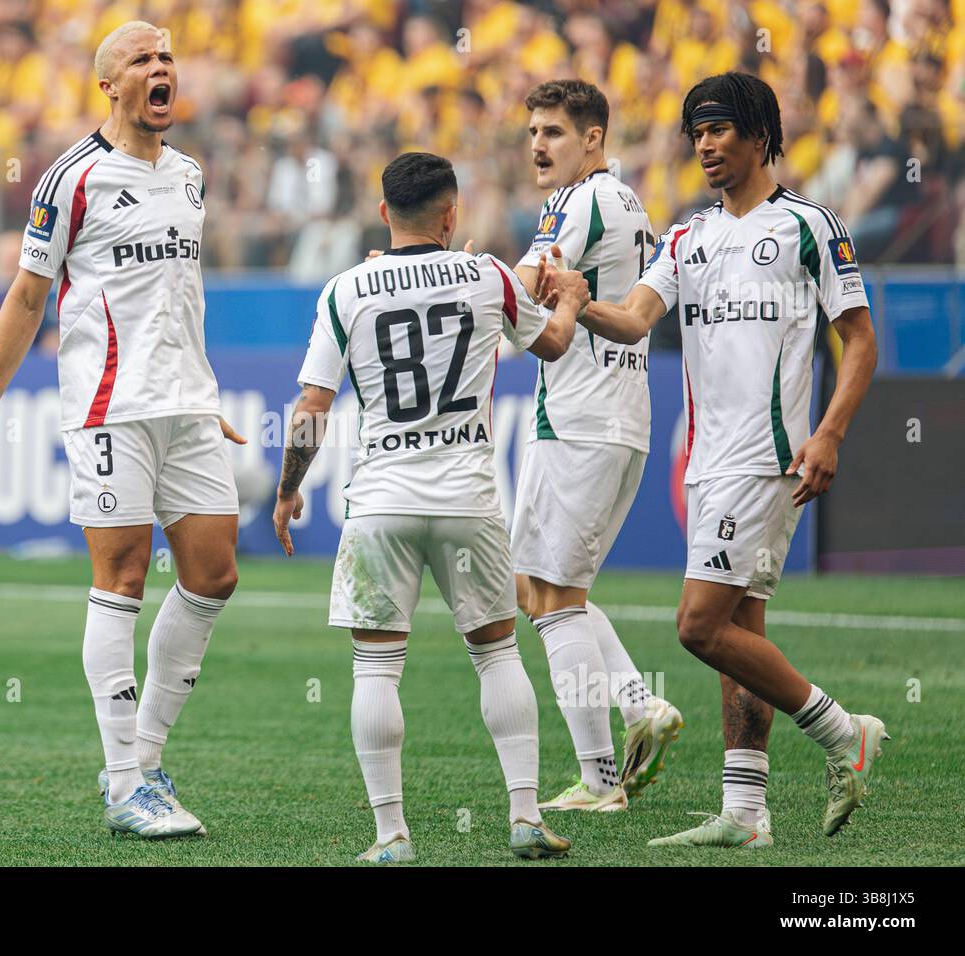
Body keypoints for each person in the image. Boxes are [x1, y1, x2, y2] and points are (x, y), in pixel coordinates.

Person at [537, 72, 886, 849]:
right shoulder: (688, 237)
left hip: (766, 458)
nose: (705, 144)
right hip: (706, 461)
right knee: (740, 632)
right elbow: (631, 320)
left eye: (720, 129)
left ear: (761, 134)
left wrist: (828, 433)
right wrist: (574, 295)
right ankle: (745, 813)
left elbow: (859, 339)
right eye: (696, 132)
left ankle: (841, 732)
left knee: (697, 627)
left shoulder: (808, 226)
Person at [0, 21, 244, 840]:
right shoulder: (70, 180)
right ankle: (123, 784)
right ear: (109, 84)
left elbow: (173, 295)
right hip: (108, 406)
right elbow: (29, 298)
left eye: (167, 58)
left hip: (186, 405)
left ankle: (142, 756)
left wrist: (199, 391)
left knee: (214, 576)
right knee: (124, 576)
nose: (160, 69)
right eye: (142, 60)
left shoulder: (190, 175)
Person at [273, 151, 589, 862]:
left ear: (383, 214)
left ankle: (391, 836)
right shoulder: (488, 277)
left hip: (382, 498)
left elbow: (312, 407)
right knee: (497, 652)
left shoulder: (345, 289)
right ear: (453, 214)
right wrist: (568, 294)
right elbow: (557, 342)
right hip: (468, 500)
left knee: (376, 671)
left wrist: (290, 488)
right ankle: (524, 817)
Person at [511, 79, 682, 813]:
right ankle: (638, 707)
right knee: (550, 593)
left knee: (547, 601)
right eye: (533, 133)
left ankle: (602, 777)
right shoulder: (625, 201)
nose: (539, 146)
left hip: (579, 418)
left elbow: (527, 284)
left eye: (553, 131)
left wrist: (455, 287)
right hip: (618, 419)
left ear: (592, 138)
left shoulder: (578, 201)